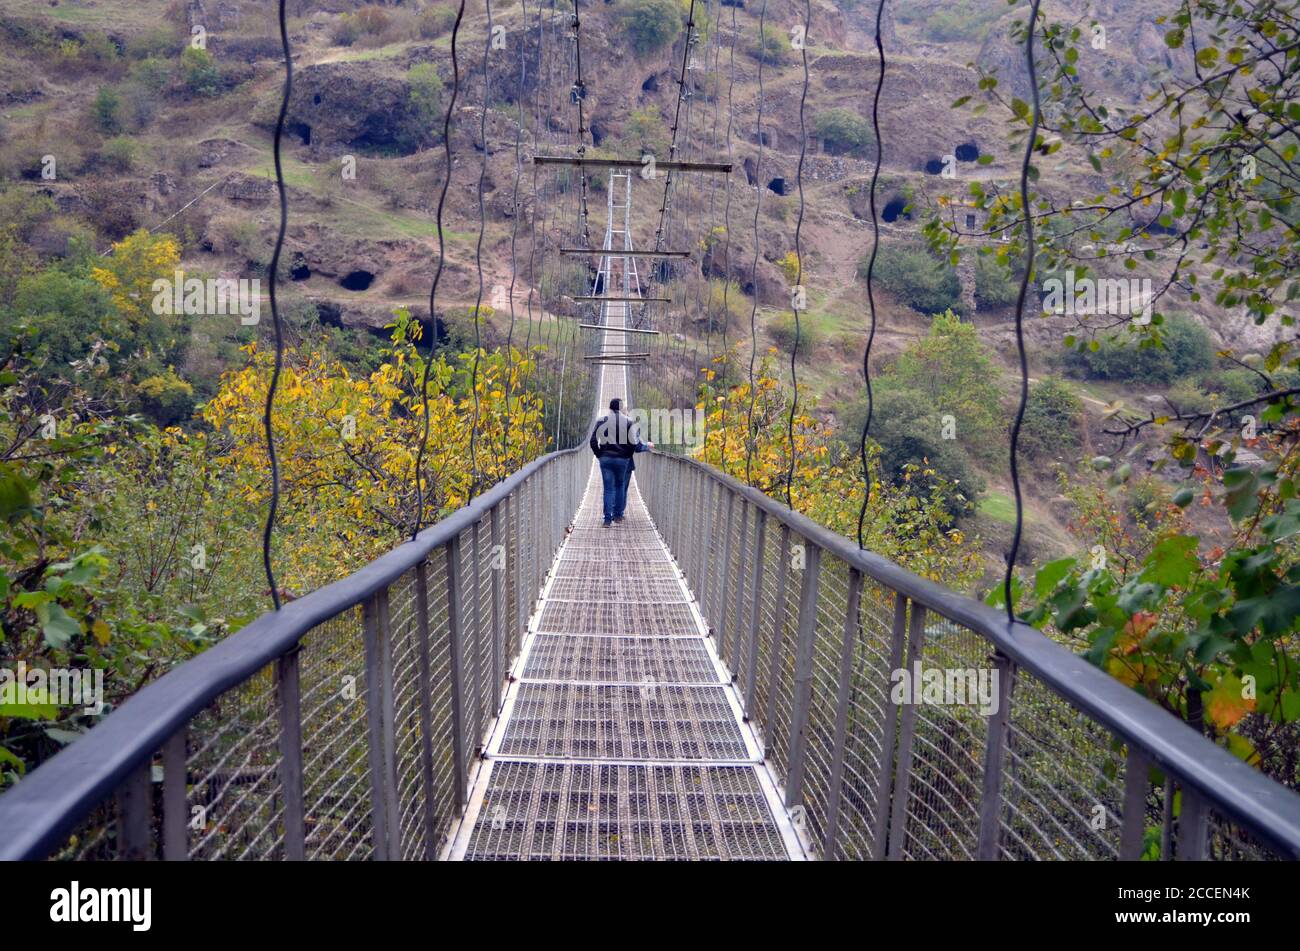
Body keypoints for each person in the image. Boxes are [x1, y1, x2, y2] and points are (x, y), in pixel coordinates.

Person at [589, 397, 653, 526]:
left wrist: (599, 454)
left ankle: (607, 520)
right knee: (619, 486)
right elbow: (634, 444)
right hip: (622, 460)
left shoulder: (601, 420)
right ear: (621, 408)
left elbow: (593, 441)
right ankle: (618, 516)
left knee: (608, 489)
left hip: (605, 458)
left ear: (610, 407)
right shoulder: (629, 422)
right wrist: (626, 455)